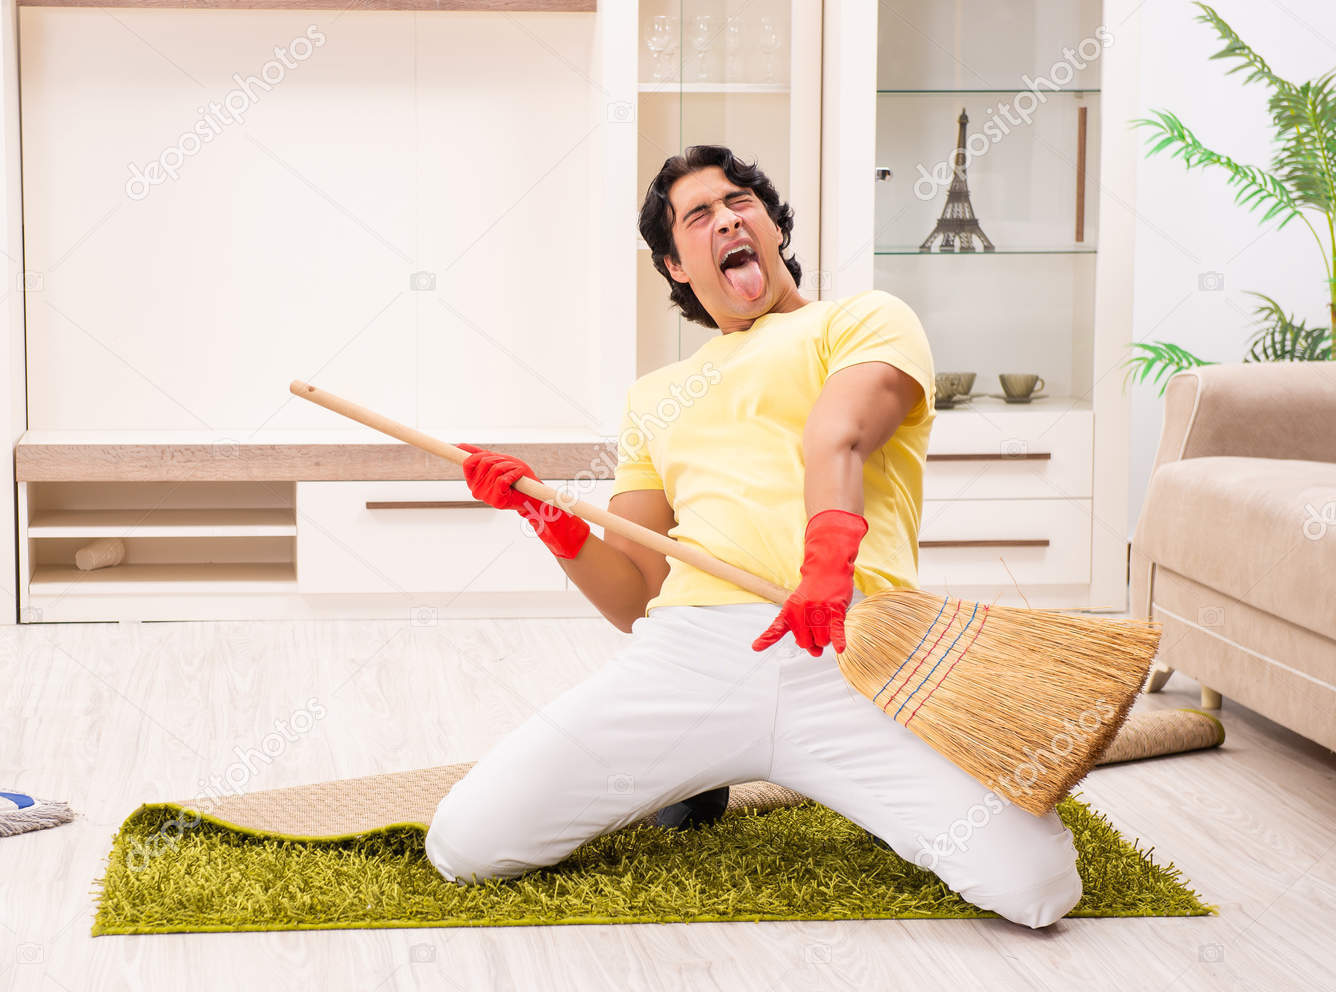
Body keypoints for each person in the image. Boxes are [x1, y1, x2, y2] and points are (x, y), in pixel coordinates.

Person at [423, 145, 1082, 928]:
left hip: (848, 648)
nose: (727, 217)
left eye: (740, 201)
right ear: (674, 264)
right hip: (692, 656)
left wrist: (828, 564)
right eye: (698, 215)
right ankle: (691, 766)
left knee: (1037, 887)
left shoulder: (862, 319)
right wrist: (549, 520)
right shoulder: (655, 397)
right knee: (464, 844)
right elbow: (636, 594)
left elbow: (835, 437)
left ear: (771, 227)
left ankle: (773, 767)